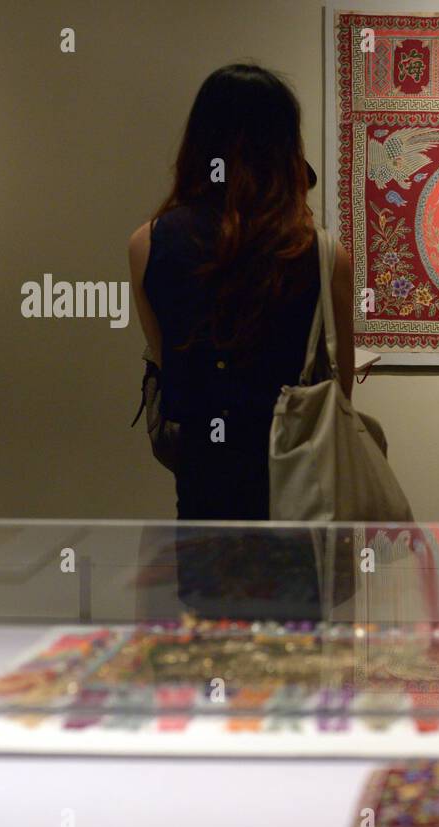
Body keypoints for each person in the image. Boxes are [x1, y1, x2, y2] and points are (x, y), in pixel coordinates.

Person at [129, 64, 355, 620]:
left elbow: (165, 360)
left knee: (212, 640)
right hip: (294, 484)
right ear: (285, 146)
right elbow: (340, 388)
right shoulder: (324, 254)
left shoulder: (149, 242)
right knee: (292, 654)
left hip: (203, 480)